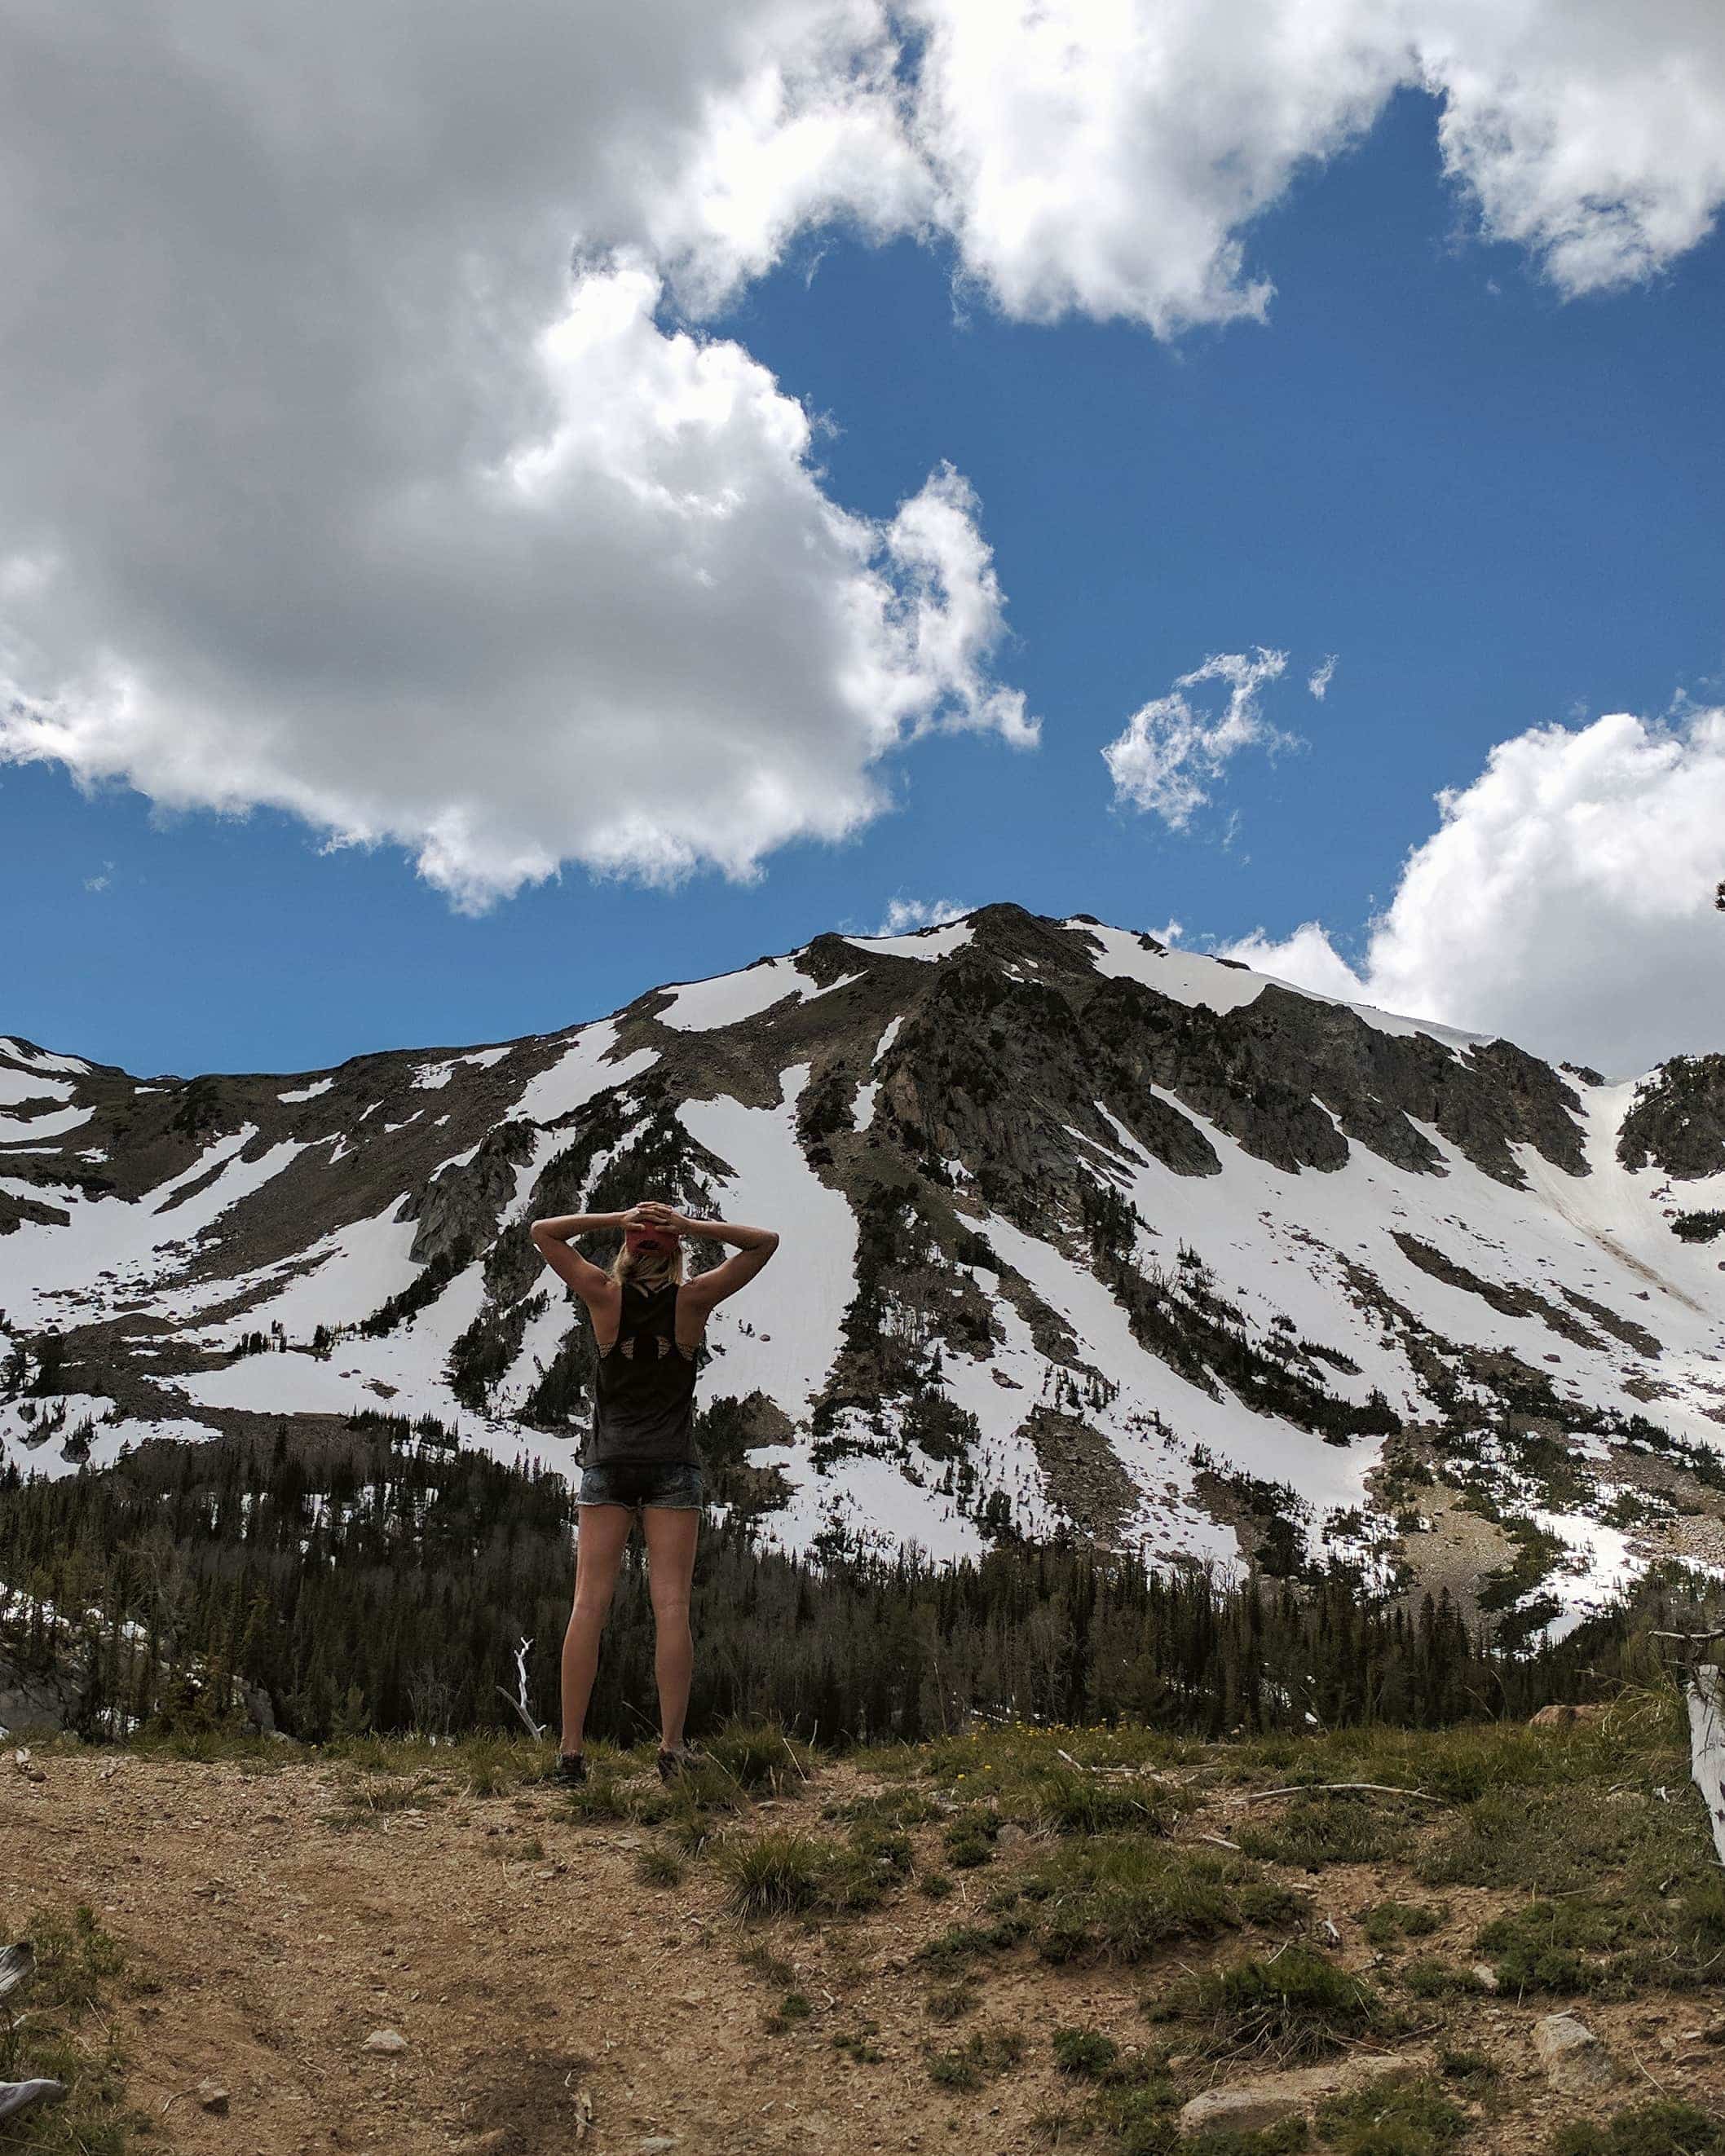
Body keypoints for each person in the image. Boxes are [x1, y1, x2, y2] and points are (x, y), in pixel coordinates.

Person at [528, 1197, 779, 1785]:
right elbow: (764, 1241)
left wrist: (617, 1219)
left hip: (608, 1463)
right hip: (672, 1464)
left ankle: (570, 1754)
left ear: (627, 1250)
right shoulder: (691, 1302)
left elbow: (544, 1231)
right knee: (670, 1608)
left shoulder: (604, 1297)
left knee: (589, 1604)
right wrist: (688, 1225)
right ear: (674, 1254)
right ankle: (670, 1749)